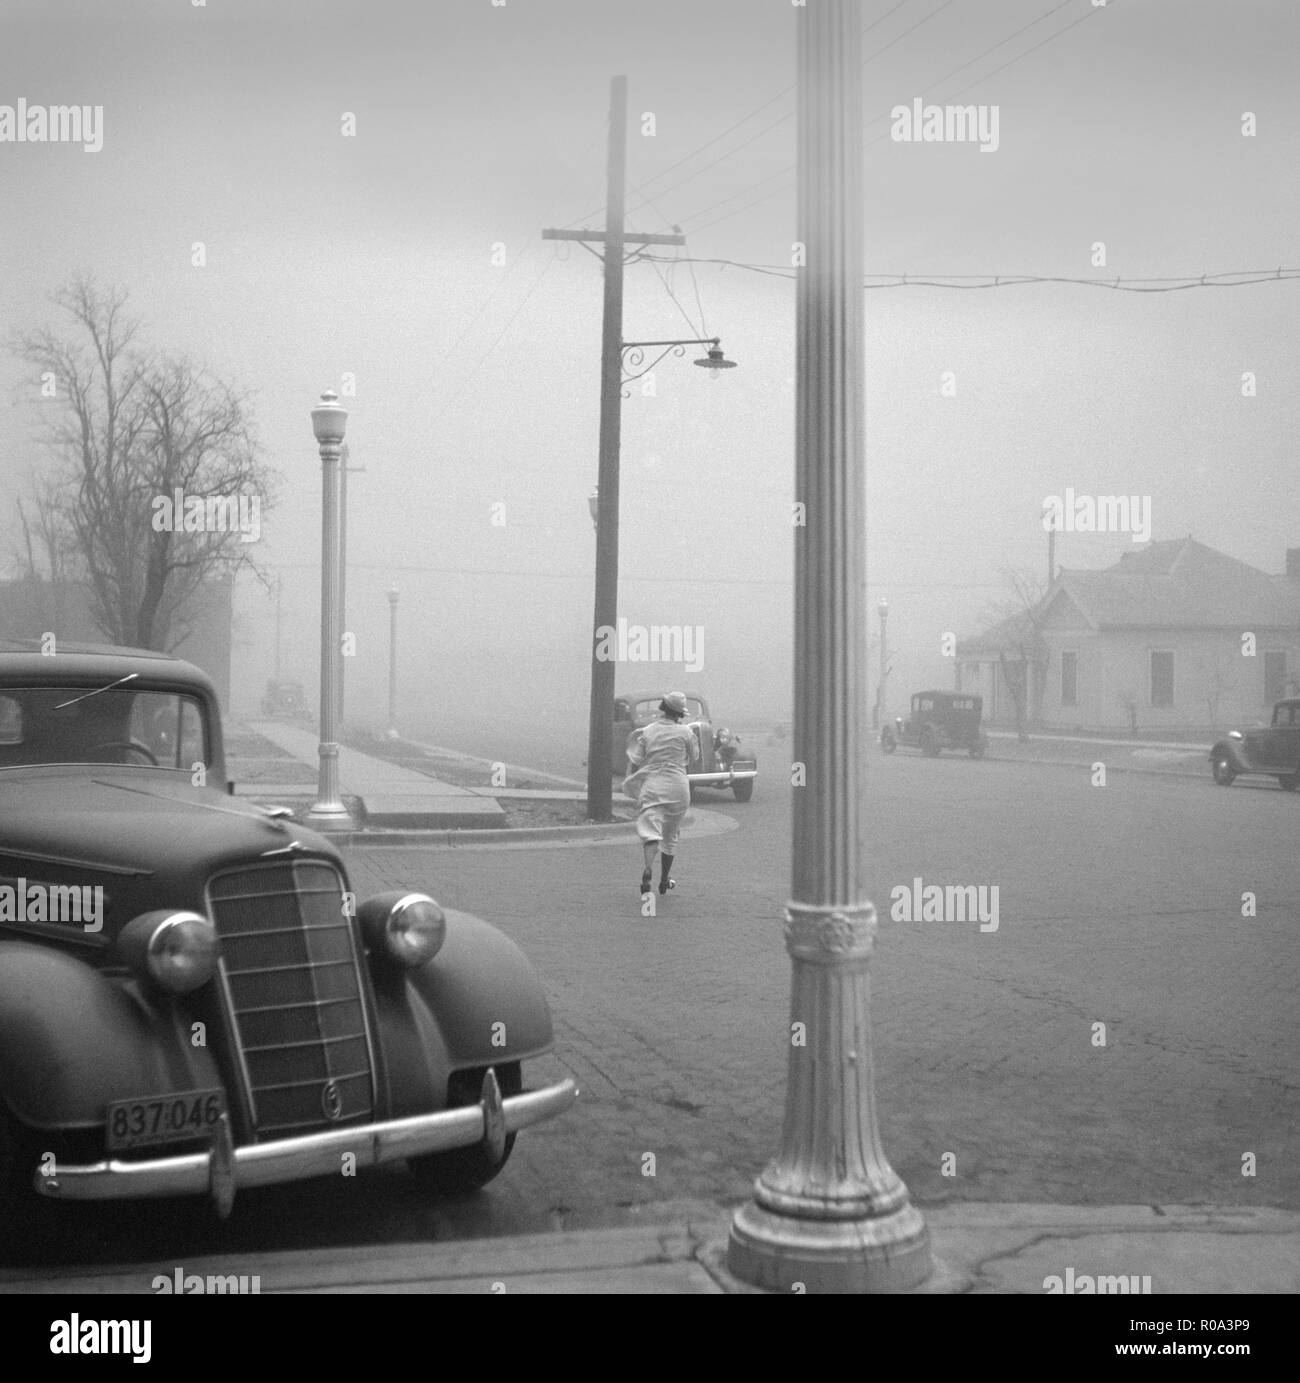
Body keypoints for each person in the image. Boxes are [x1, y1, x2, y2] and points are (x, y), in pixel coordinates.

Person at [622, 691, 700, 900]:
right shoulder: (686, 732)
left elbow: (637, 758)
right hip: (678, 785)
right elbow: (694, 757)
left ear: (663, 709)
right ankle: (665, 879)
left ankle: (648, 869)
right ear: (679, 713)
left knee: (651, 829)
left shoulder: (646, 731)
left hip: (653, 784)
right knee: (671, 834)